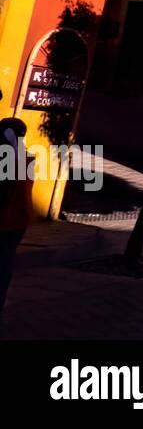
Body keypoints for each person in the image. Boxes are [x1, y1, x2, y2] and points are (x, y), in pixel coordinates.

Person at [0, 118, 33, 327]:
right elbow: (24, 196)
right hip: (15, 224)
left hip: (6, 223)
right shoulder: (25, 159)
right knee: (4, 266)